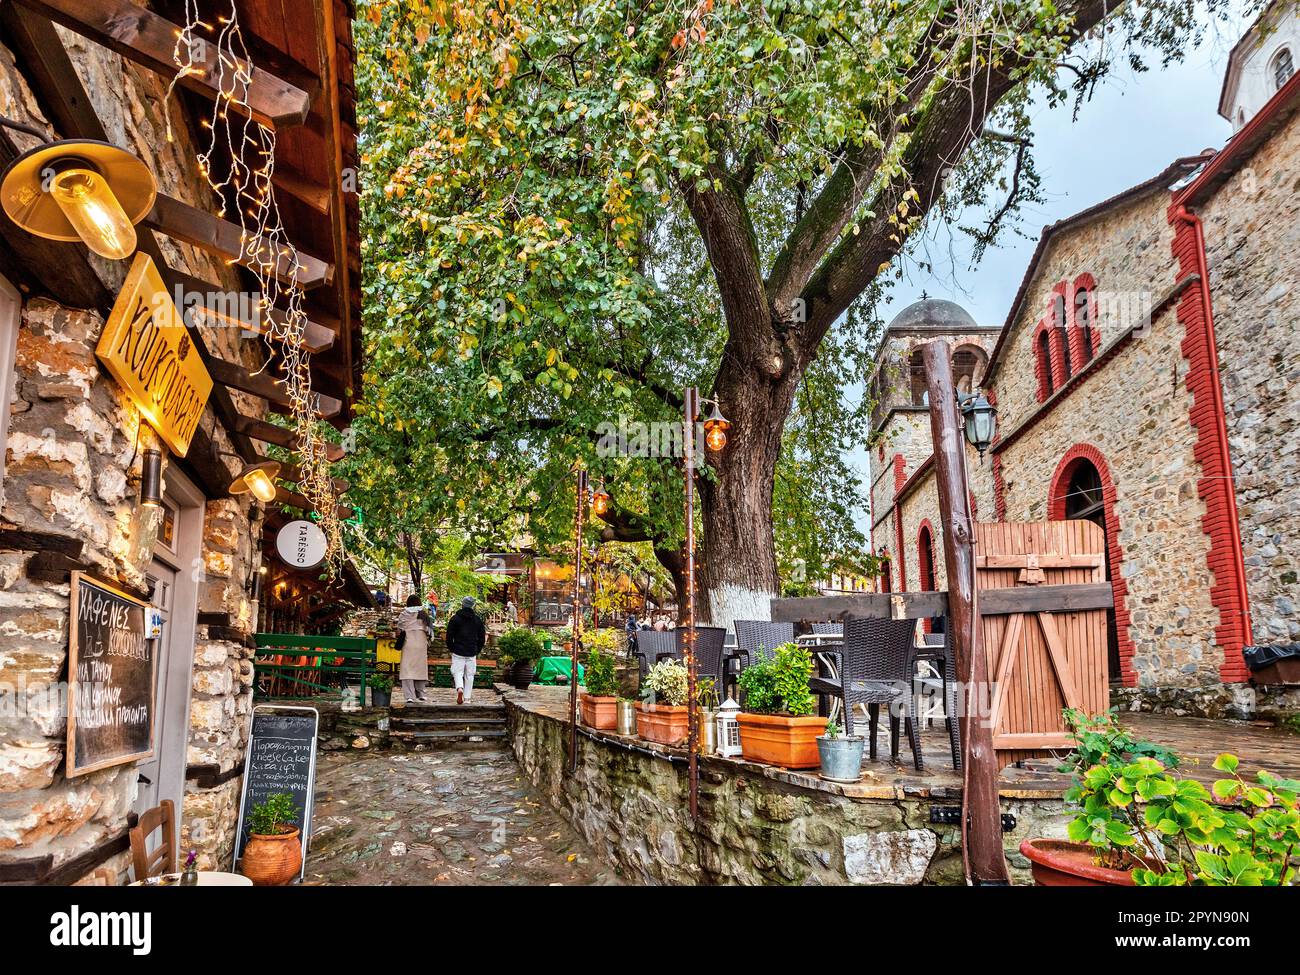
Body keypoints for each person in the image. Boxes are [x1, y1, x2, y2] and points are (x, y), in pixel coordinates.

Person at [446, 596, 486, 704]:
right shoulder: (477, 620)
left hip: (458, 650)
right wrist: (477, 649)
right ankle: (467, 698)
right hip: (471, 651)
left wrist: (452, 648)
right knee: (470, 675)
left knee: (457, 672)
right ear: (472, 606)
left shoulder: (455, 619)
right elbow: (482, 638)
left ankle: (459, 688)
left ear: (462, 605)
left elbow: (449, 636)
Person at [396, 594, 431, 704]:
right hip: (421, 645)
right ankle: (421, 693)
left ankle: (409, 696)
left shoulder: (403, 614)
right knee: (420, 668)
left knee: (407, 670)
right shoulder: (423, 614)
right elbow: (430, 631)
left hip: (408, 643)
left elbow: (399, 630)